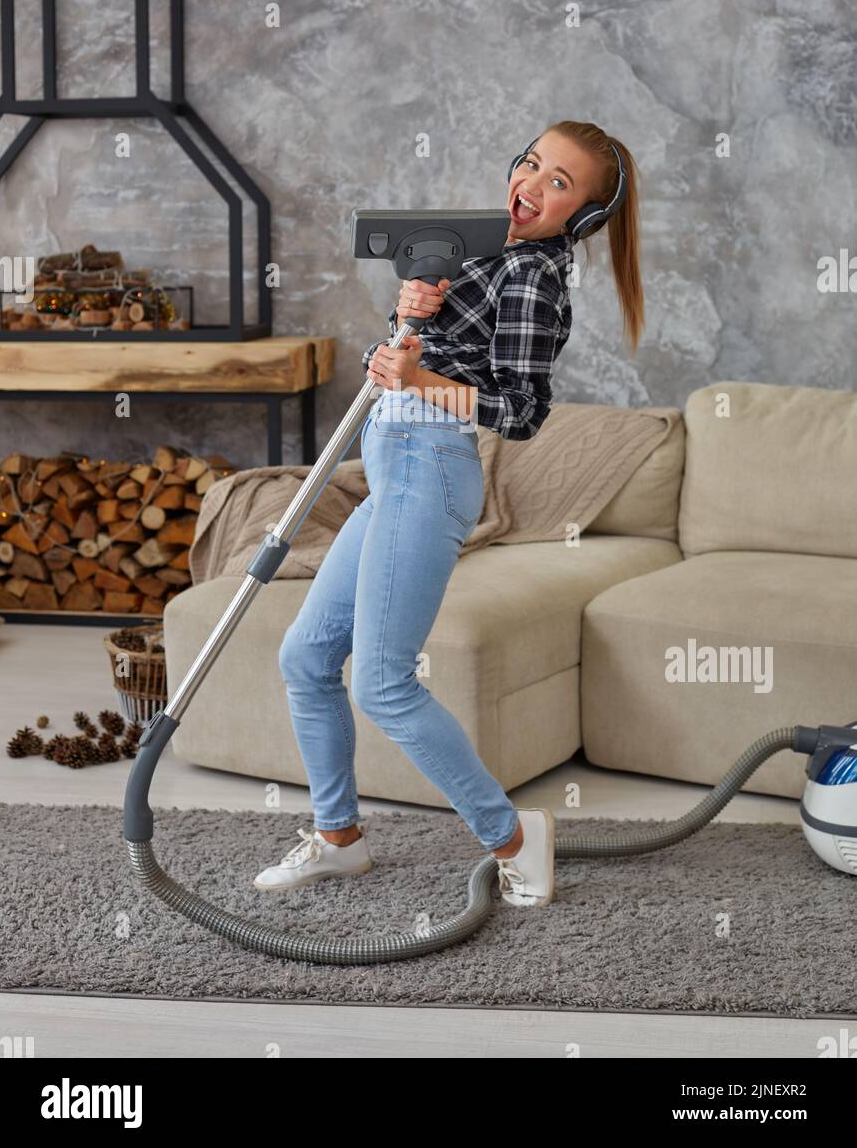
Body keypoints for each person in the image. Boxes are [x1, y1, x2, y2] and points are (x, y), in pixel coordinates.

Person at [254, 120, 645, 907]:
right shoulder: (480, 251)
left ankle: (513, 836)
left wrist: (418, 376)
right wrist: (408, 320)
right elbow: (408, 363)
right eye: (531, 163)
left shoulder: (534, 276)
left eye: (560, 182)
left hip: (432, 470)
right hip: (393, 464)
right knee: (305, 658)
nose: (533, 183)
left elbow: (523, 411)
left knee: (384, 683)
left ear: (587, 216)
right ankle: (339, 840)